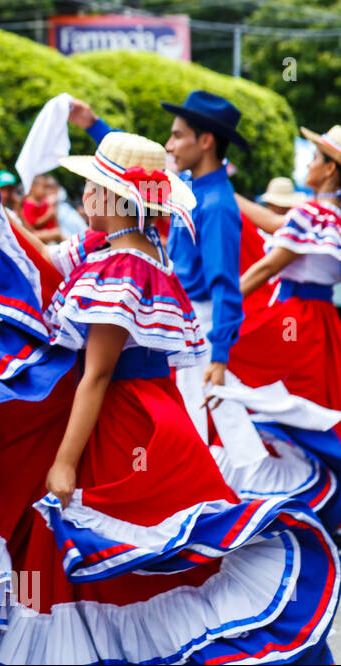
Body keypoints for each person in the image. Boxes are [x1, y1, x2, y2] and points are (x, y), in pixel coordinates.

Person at [0, 132, 338, 664]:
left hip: (123, 428)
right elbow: (47, 260)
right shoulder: (133, 252)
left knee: (99, 557)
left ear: (117, 199)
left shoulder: (121, 267)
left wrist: (63, 462)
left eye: (93, 187)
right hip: (154, 420)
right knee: (137, 566)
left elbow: (97, 376)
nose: (83, 197)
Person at [70, 91, 246, 433]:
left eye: (177, 135)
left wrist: (220, 354)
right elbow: (133, 171)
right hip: (183, 323)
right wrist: (94, 126)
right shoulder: (192, 189)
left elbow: (225, 284)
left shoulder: (217, 205)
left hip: (201, 330)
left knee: (199, 432)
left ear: (206, 141)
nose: (169, 145)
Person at [228, 126, 341, 411]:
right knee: (317, 401)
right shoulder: (329, 216)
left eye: (314, 157)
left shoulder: (312, 213)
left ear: (329, 169)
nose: (308, 164)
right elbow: (272, 221)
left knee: (255, 380)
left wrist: (225, 305)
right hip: (323, 321)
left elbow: (267, 267)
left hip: (297, 317)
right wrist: (223, 190)